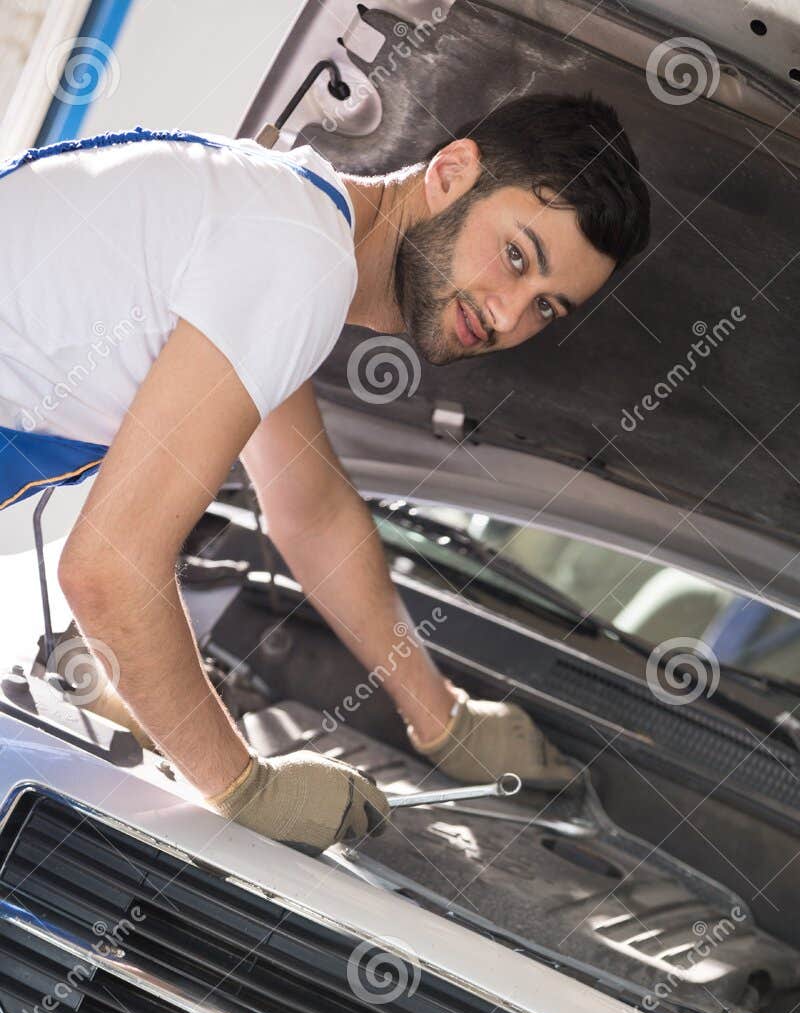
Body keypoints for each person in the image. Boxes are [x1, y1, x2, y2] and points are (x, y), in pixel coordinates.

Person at [0, 93, 650, 849]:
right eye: (515, 256)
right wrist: (244, 788)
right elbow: (109, 569)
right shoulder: (297, 257)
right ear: (450, 172)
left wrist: (442, 717)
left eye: (545, 307)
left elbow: (309, 507)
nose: (508, 316)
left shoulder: (292, 221)